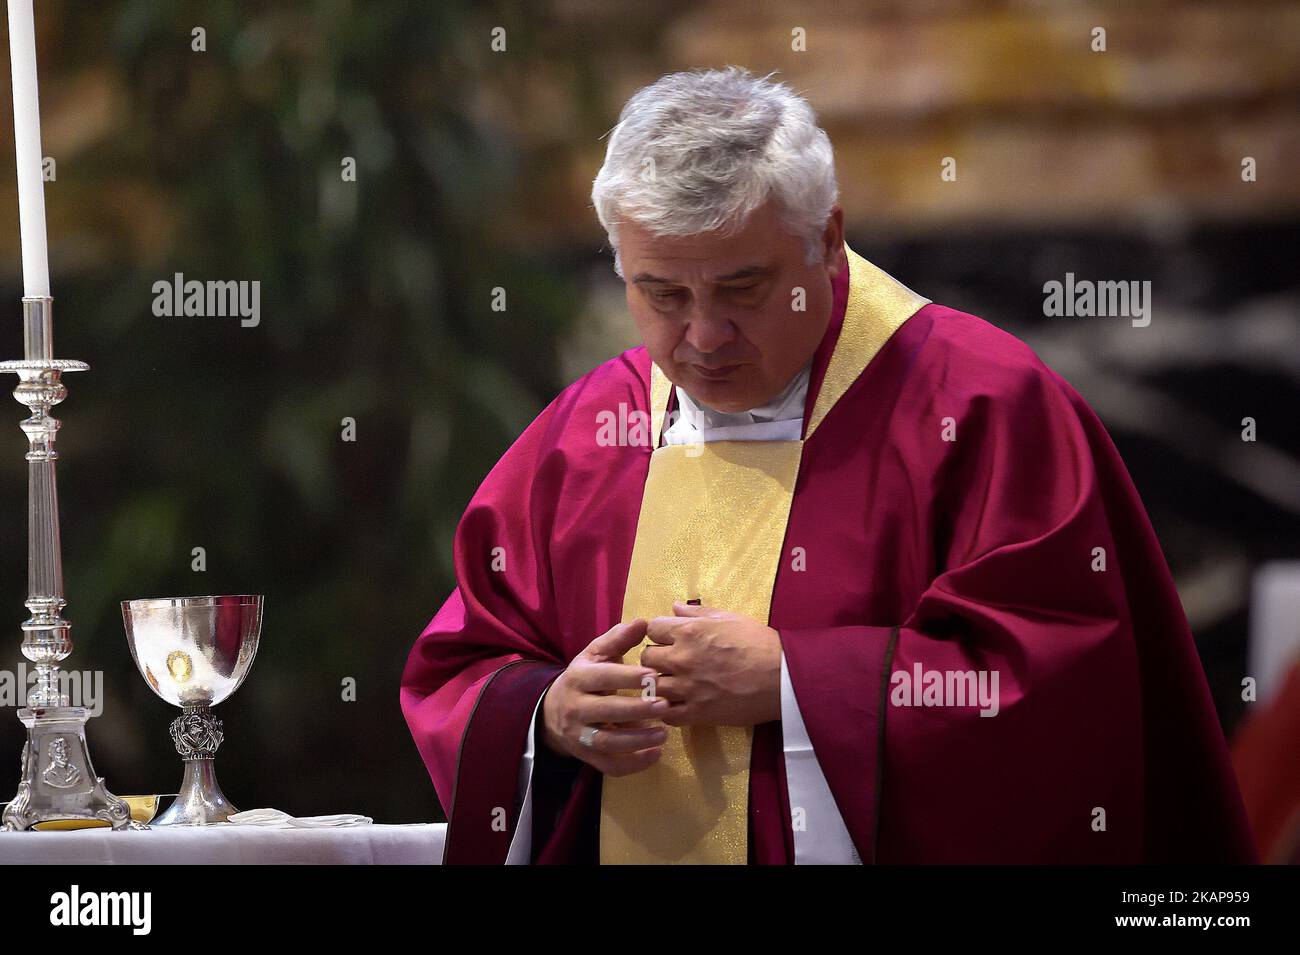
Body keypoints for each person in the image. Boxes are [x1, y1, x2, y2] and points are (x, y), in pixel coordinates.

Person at [400, 66, 1256, 864]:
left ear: (829, 239)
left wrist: (798, 684)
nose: (701, 338)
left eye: (742, 289)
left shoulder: (980, 407)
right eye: (662, 293)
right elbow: (466, 663)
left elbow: (1060, 694)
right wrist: (548, 714)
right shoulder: (588, 433)